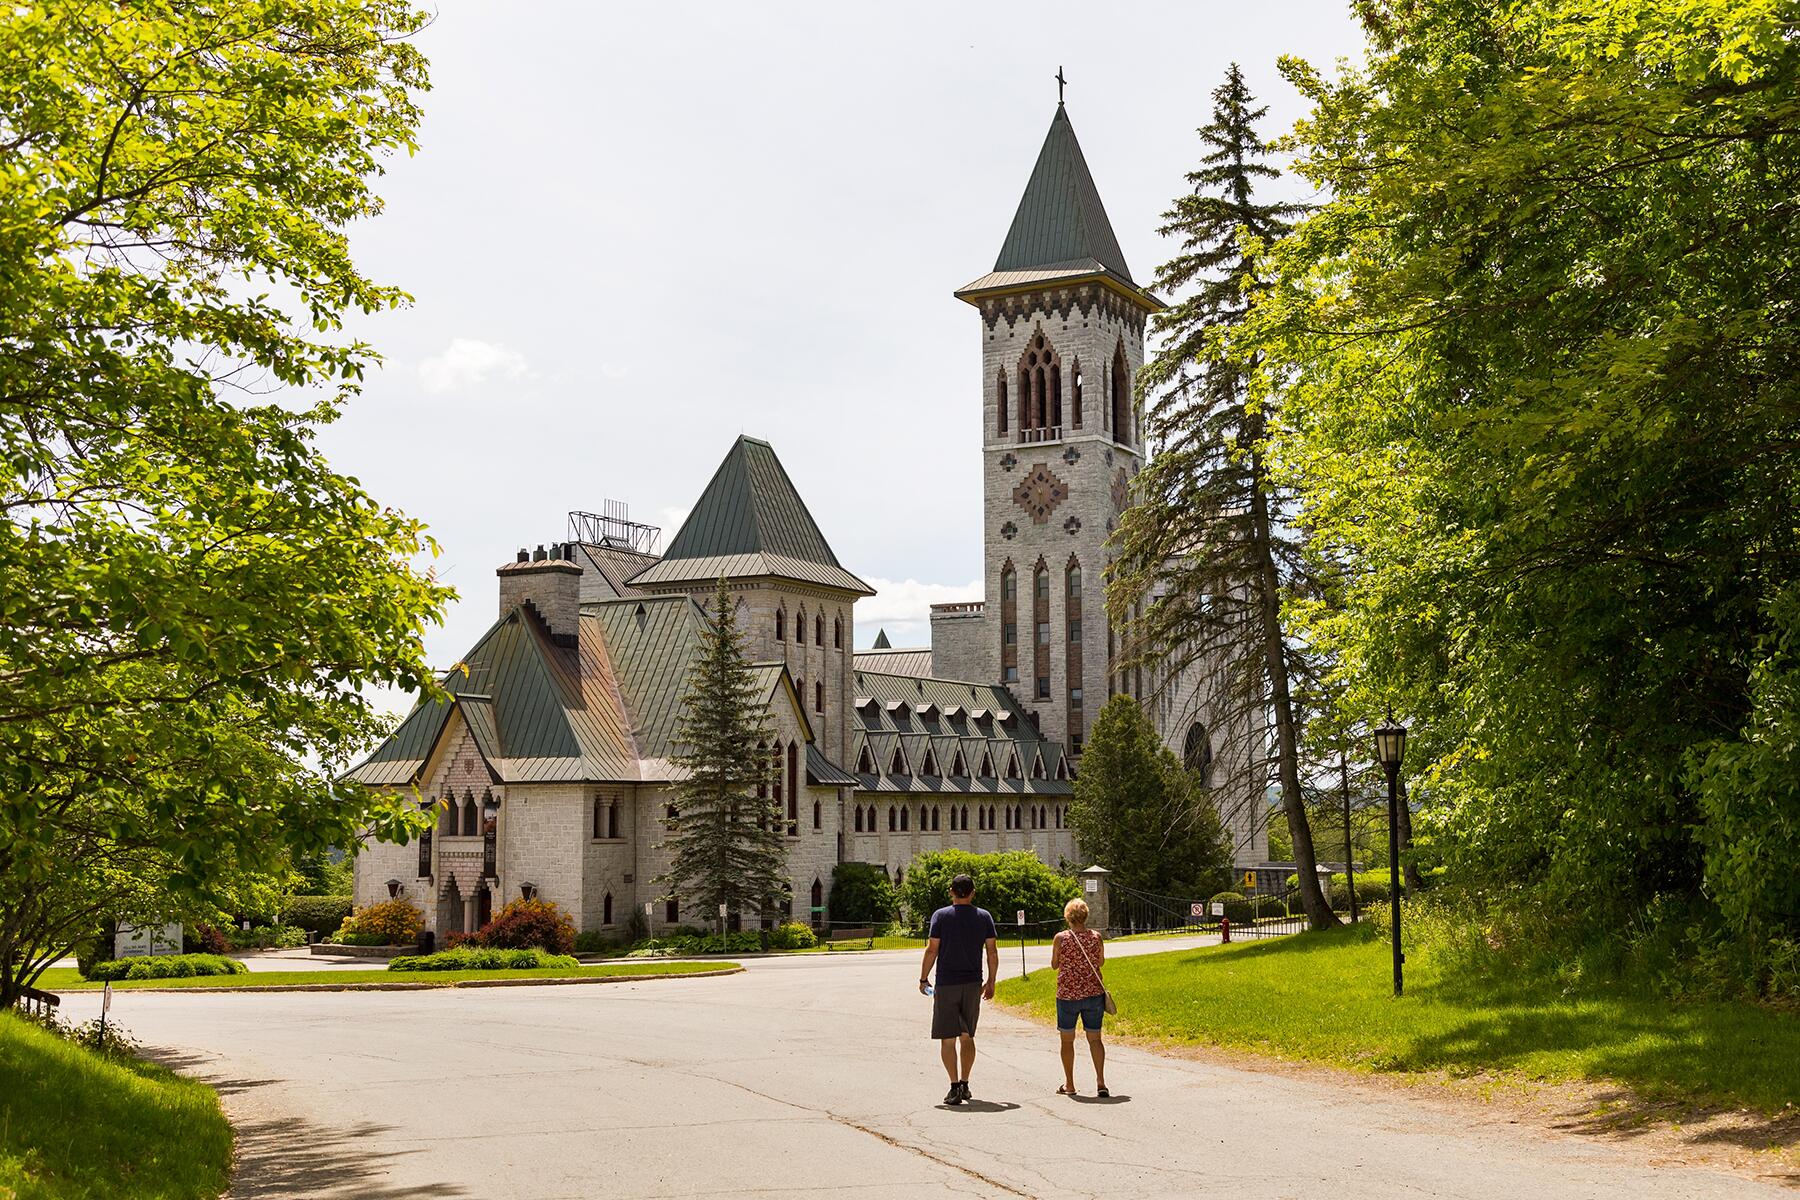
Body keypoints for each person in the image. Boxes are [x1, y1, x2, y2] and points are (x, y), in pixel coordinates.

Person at [917, 873, 999, 1105]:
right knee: (967, 1035)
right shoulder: (984, 917)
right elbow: (992, 951)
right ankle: (965, 1083)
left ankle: (953, 1086)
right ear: (973, 892)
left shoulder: (940, 916)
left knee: (947, 1038)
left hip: (946, 983)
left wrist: (923, 978)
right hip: (973, 982)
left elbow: (932, 950)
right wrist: (991, 981)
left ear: (951, 891)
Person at [1049, 896, 1108, 1097]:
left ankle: (1070, 1084)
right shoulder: (1096, 937)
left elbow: (1055, 964)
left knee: (1067, 1040)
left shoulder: (1061, 938)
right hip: (1093, 994)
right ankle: (1100, 1082)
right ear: (1085, 916)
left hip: (1067, 995)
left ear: (1068, 916)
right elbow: (1100, 962)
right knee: (1095, 1039)